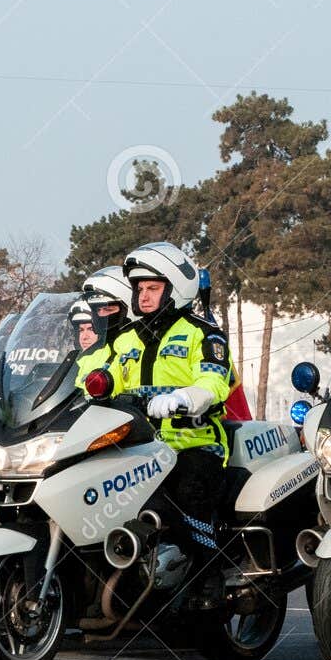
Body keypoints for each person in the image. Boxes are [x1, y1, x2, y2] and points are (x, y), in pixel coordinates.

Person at [106, 242, 233, 568]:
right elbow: (104, 384)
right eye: (139, 289)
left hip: (193, 444)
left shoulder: (202, 334)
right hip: (136, 450)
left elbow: (215, 382)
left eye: (153, 288)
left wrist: (182, 398)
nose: (144, 296)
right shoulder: (125, 339)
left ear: (175, 289)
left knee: (189, 491)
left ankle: (208, 576)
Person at [76, 265, 135, 384]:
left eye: (108, 309)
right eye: (98, 310)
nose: (102, 315)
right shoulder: (90, 357)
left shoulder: (139, 348)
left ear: (126, 309)